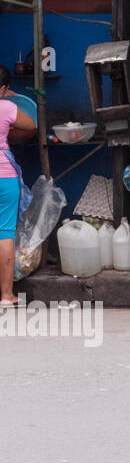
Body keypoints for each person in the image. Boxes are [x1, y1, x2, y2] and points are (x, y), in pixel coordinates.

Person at [0, 67, 37, 307]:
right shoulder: (7, 106)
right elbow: (32, 124)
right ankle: (6, 296)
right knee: (4, 234)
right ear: (3, 88)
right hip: (4, 175)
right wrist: (8, 100)